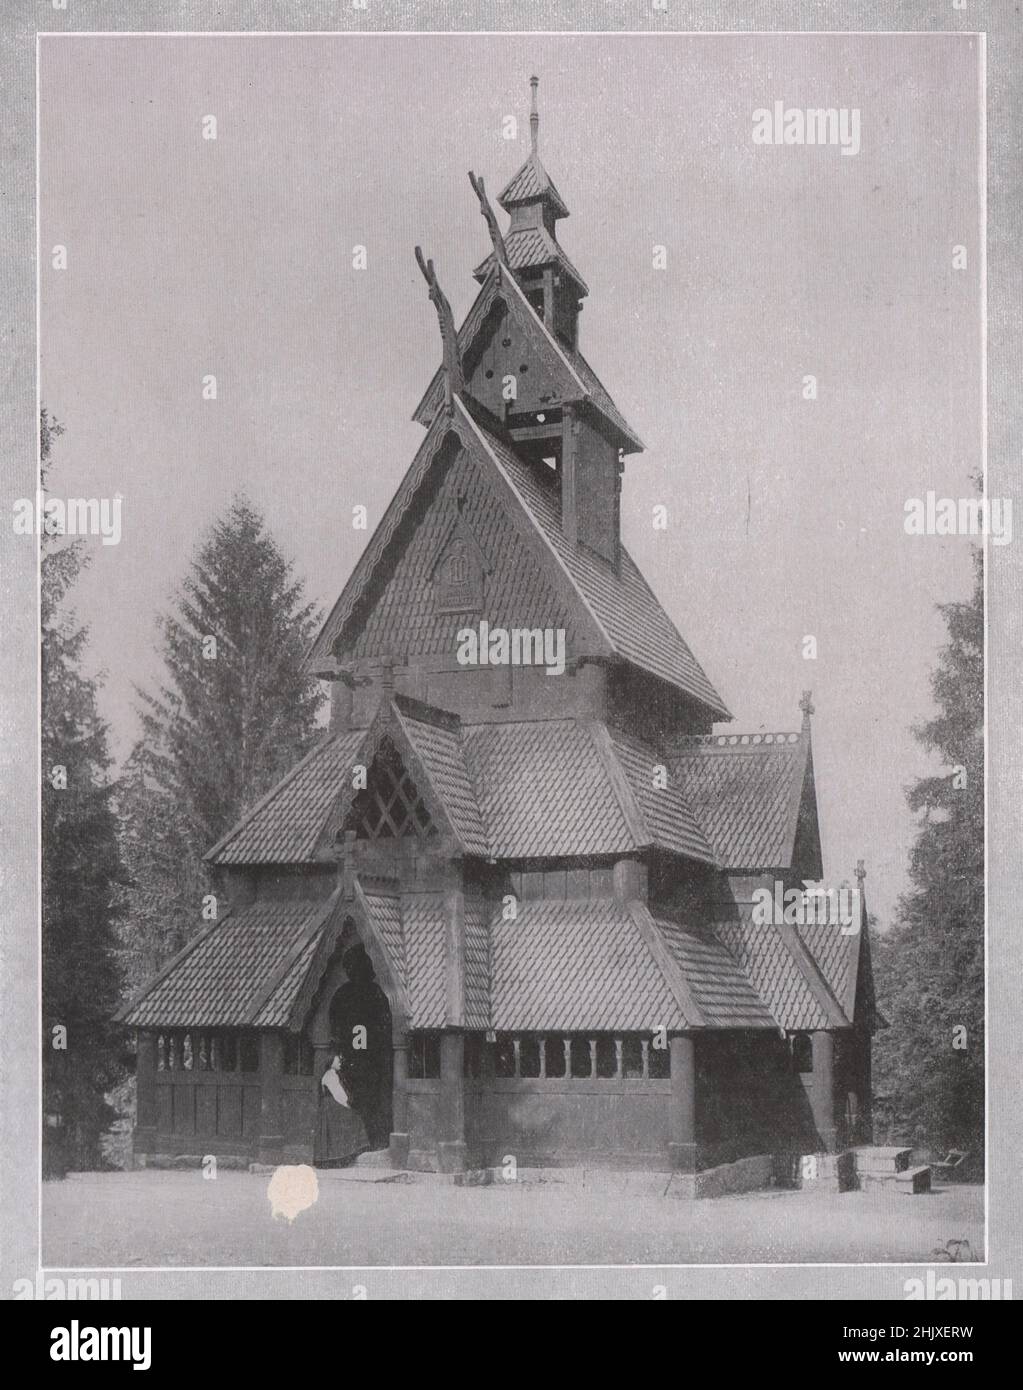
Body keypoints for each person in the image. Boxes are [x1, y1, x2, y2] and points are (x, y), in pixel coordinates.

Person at [315, 1055, 370, 1167]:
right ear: (331, 1063)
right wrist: (346, 1105)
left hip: (328, 1106)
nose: (339, 1063)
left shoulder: (329, 1075)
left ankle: (335, 1157)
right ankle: (347, 1153)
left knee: (331, 1131)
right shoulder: (331, 1075)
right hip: (333, 1105)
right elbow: (338, 1093)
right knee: (354, 1118)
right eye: (337, 1061)